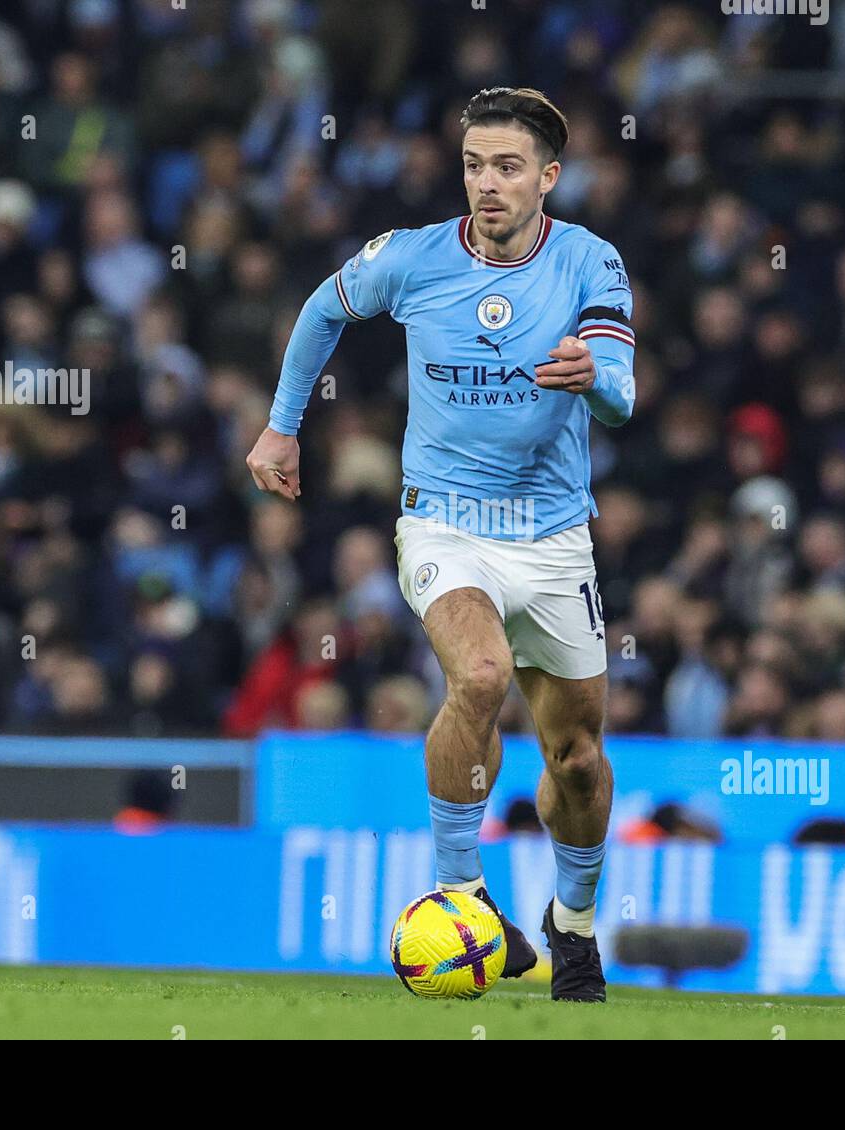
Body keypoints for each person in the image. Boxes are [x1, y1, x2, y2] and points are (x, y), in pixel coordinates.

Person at [246, 87, 635, 1002]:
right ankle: (464, 897)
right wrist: (281, 427)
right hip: (444, 522)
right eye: (473, 165)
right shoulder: (413, 257)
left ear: (548, 176)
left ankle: (572, 925)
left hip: (552, 538)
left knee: (575, 758)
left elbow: (622, 385)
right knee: (481, 675)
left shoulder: (590, 261)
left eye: (507, 167)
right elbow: (321, 310)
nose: (486, 184)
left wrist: (594, 382)